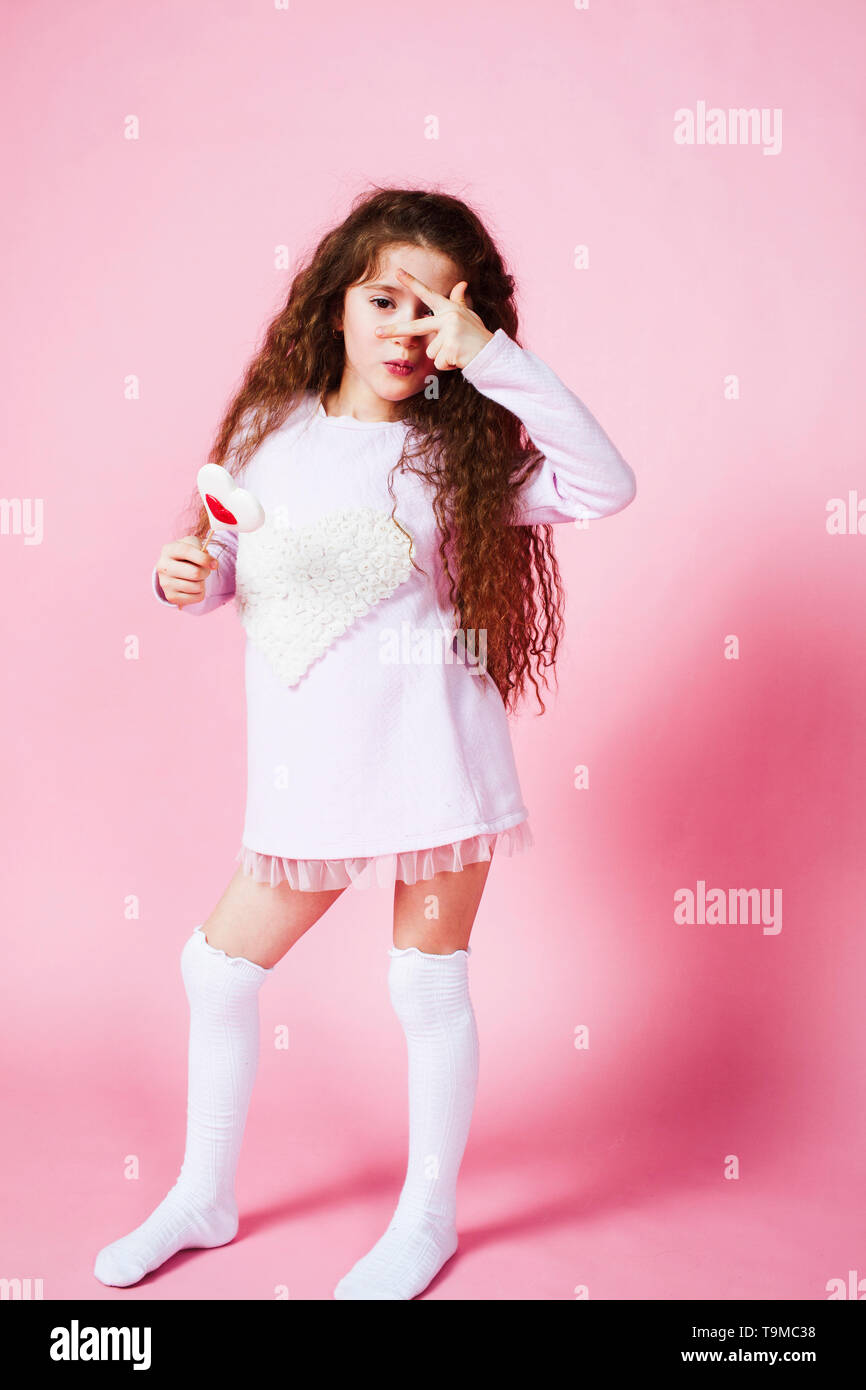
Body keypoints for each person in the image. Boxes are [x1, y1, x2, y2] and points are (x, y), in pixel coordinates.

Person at [93, 186, 636, 1300]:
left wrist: (493, 363)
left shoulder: (460, 452)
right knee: (216, 967)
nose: (407, 327)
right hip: (309, 769)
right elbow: (236, 571)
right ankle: (204, 1188)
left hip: (436, 757)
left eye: (439, 309)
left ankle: (425, 1219)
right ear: (332, 302)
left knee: (424, 987)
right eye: (387, 298)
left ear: (465, 328)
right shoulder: (265, 434)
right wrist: (181, 576)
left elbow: (604, 484)